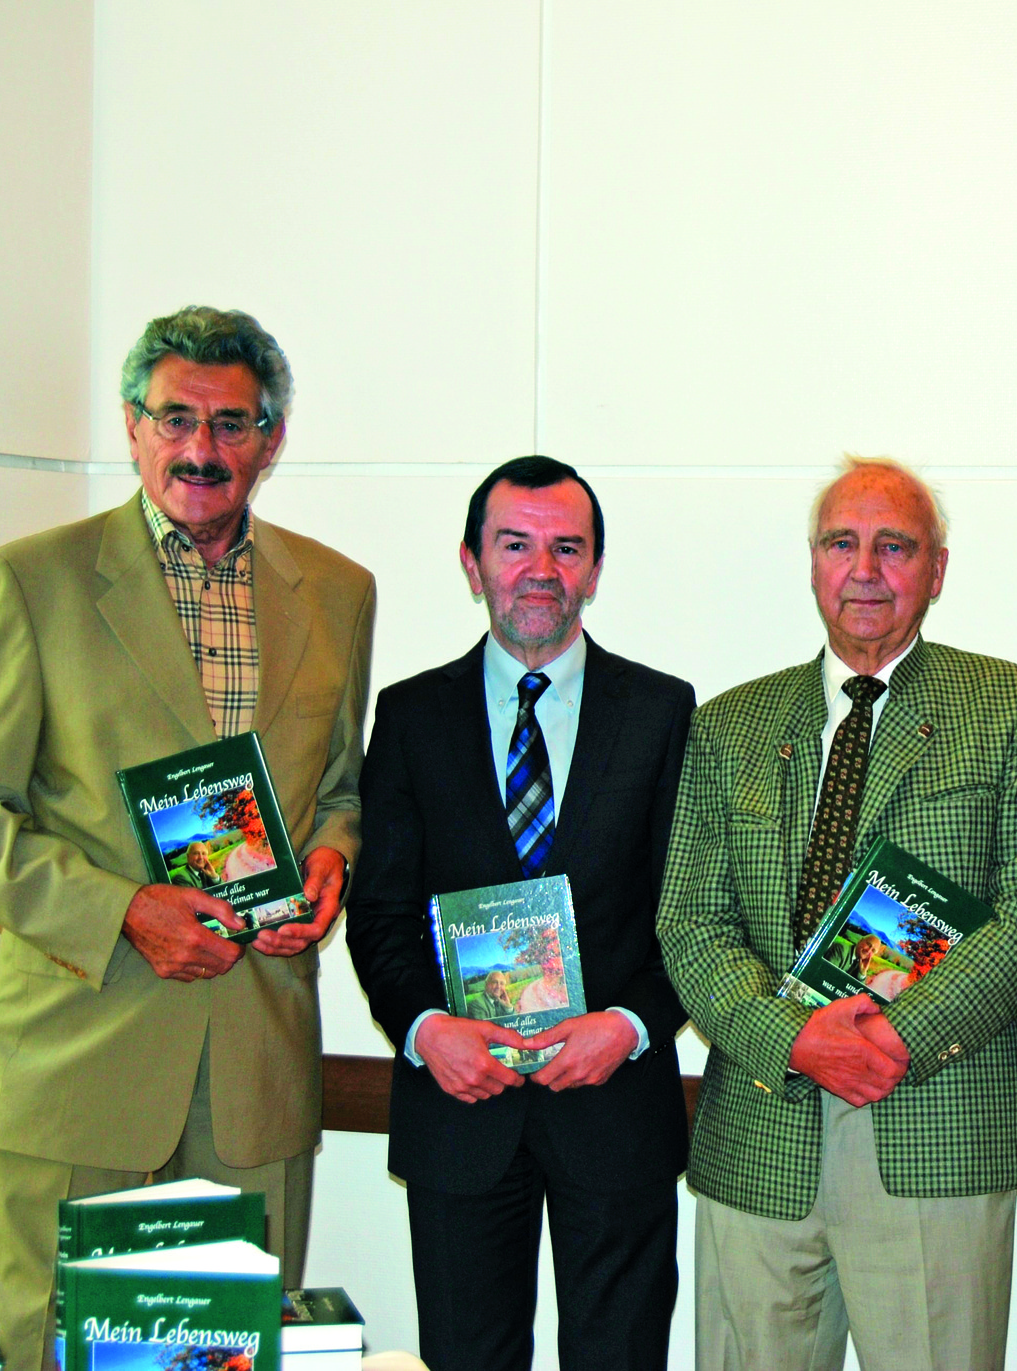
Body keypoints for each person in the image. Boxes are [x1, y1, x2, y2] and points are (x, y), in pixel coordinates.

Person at [0, 306, 375, 1371]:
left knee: (227, 1356)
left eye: (231, 423)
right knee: (52, 1354)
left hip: (256, 1063)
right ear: (131, 427)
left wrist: (332, 859)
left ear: (270, 438)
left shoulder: (338, 592)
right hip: (82, 1060)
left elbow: (339, 787)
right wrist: (122, 910)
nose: (201, 448)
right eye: (175, 418)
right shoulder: (36, 580)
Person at [657, 455, 1017, 1371]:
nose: (866, 569)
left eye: (896, 546)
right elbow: (691, 920)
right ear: (813, 561)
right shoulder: (729, 723)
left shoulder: (1007, 705)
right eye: (842, 543)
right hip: (762, 1126)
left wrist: (889, 1036)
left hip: (933, 1118)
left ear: (938, 569)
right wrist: (796, 1038)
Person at [346, 457, 693, 1371]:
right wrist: (426, 1030)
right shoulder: (410, 715)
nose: (541, 569)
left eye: (566, 548)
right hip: (460, 1108)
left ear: (594, 569)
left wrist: (630, 1025)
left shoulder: (662, 711)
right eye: (514, 545)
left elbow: (694, 911)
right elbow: (379, 912)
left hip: (614, 1106)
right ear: (472, 564)